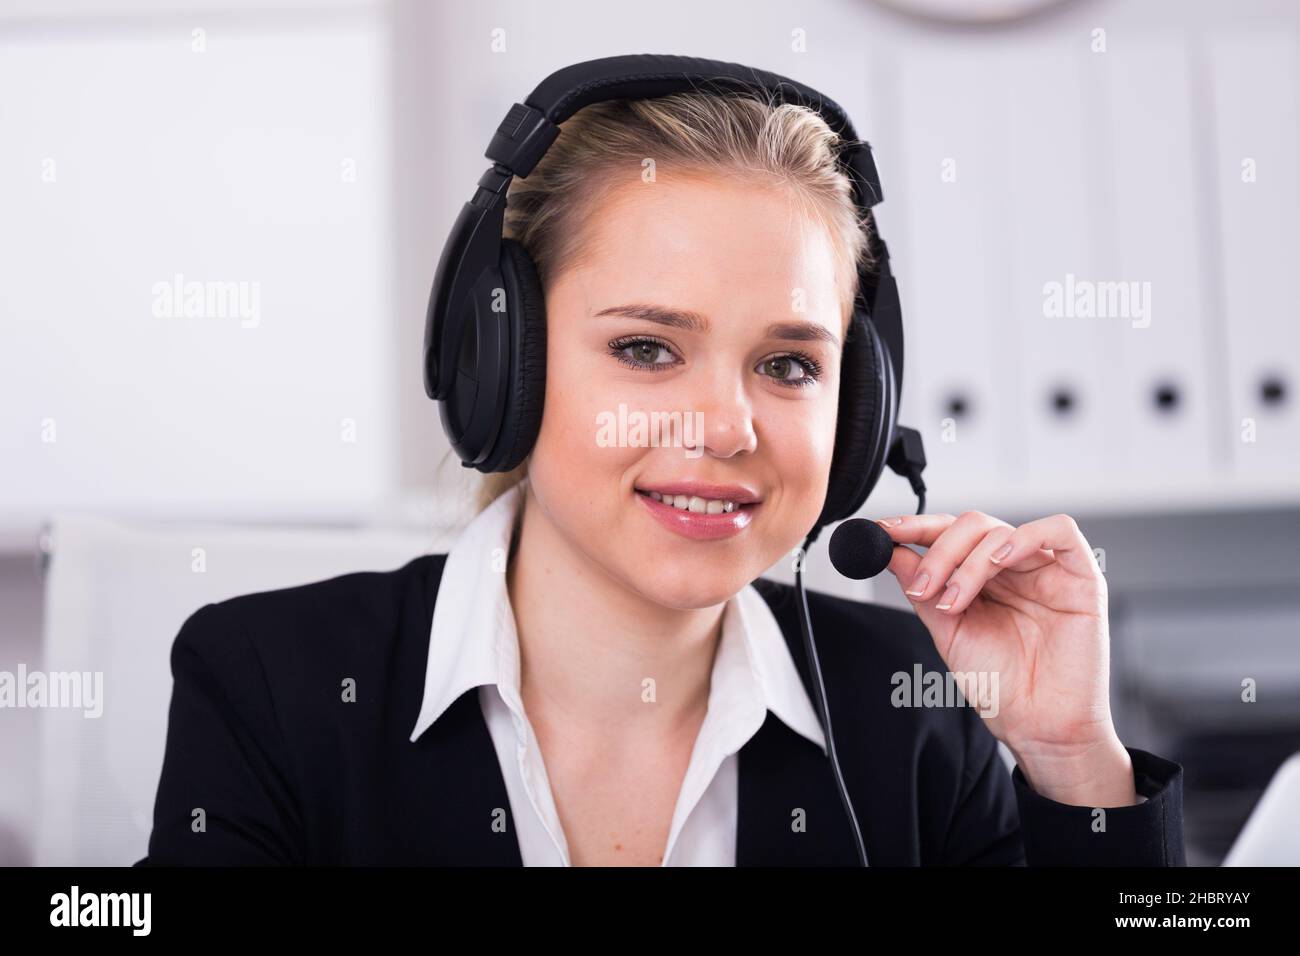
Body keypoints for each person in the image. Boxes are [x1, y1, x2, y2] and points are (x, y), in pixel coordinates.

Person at [137, 87, 1184, 866]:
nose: (726, 427)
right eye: (646, 347)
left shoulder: (911, 709)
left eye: (787, 364)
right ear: (502, 368)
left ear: (857, 411)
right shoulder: (270, 684)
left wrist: (1070, 760)